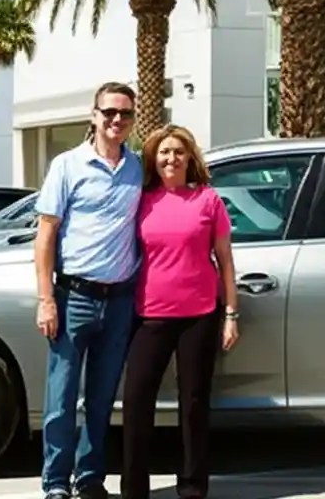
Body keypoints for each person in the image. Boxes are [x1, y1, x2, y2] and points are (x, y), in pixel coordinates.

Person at [34, 81, 143, 499]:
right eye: (109, 112)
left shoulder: (138, 168)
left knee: (101, 398)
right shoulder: (67, 165)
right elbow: (46, 235)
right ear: (93, 116)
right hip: (72, 297)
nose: (117, 120)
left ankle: (90, 477)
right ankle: (56, 483)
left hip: (119, 300)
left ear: (132, 120)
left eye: (125, 114)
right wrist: (46, 299)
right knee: (61, 399)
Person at [120, 124, 240, 499]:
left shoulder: (208, 201)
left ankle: (191, 488)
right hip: (150, 315)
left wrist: (231, 314)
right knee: (138, 402)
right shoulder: (141, 200)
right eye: (163, 152)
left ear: (190, 157)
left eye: (178, 152)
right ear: (153, 159)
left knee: (193, 404)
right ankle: (134, 490)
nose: (171, 158)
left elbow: (225, 261)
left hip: (200, 315)